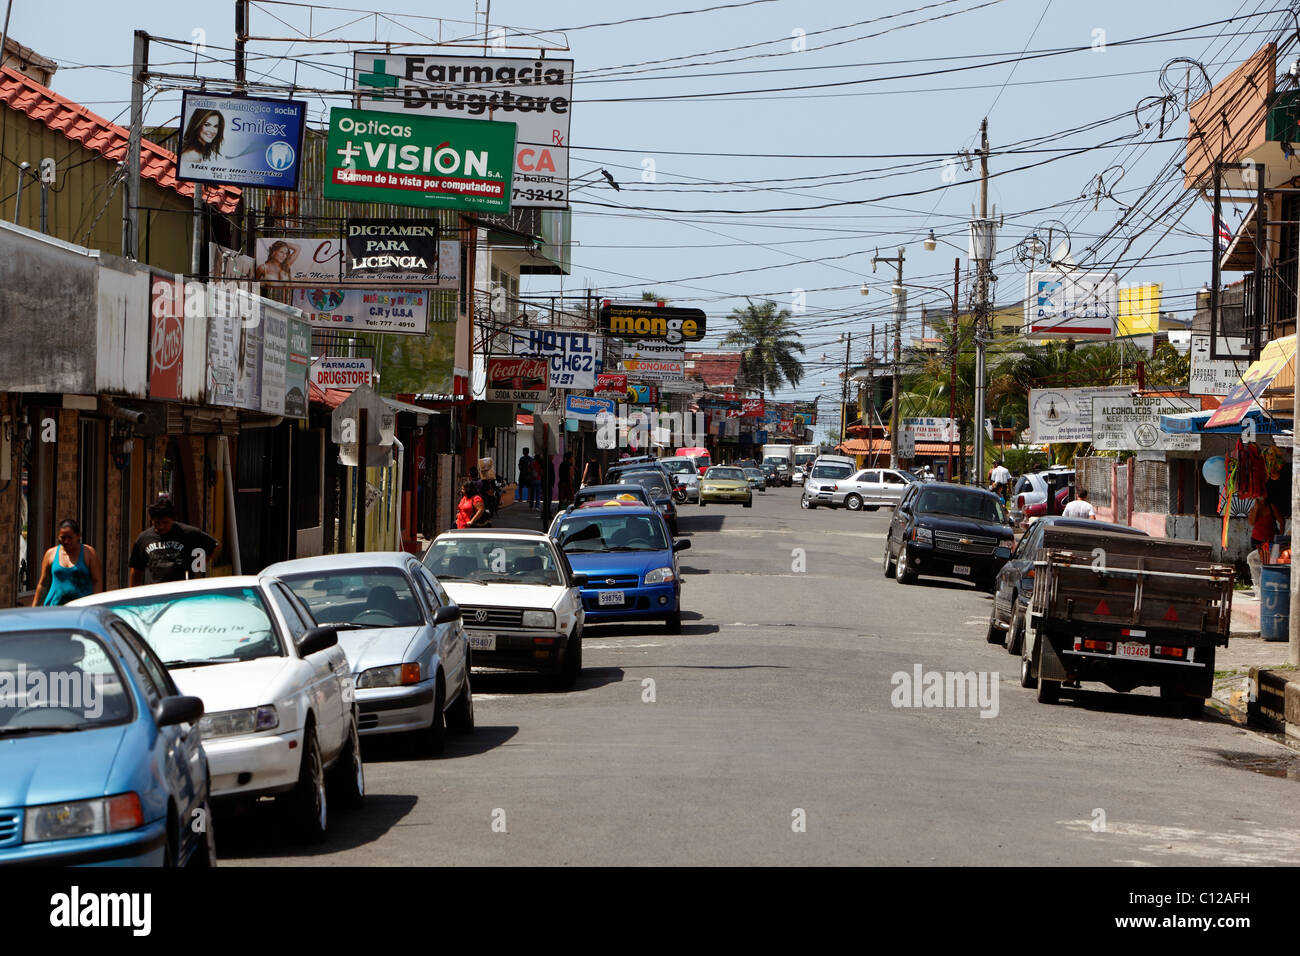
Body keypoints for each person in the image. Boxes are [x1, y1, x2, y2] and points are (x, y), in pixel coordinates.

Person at [128, 495, 219, 587]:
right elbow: (136, 569)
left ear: (172, 519)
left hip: (180, 591)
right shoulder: (144, 538)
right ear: (152, 520)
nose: (161, 526)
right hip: (154, 592)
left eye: (165, 522)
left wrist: (196, 565)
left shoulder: (187, 533)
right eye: (157, 523)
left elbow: (214, 546)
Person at [32, 519, 102, 606]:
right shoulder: (51, 554)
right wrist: (34, 606)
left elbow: (97, 581)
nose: (66, 541)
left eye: (70, 538)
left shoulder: (89, 553)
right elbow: (43, 583)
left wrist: (96, 604)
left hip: (81, 608)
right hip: (55, 607)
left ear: (78, 536)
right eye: (63, 537)